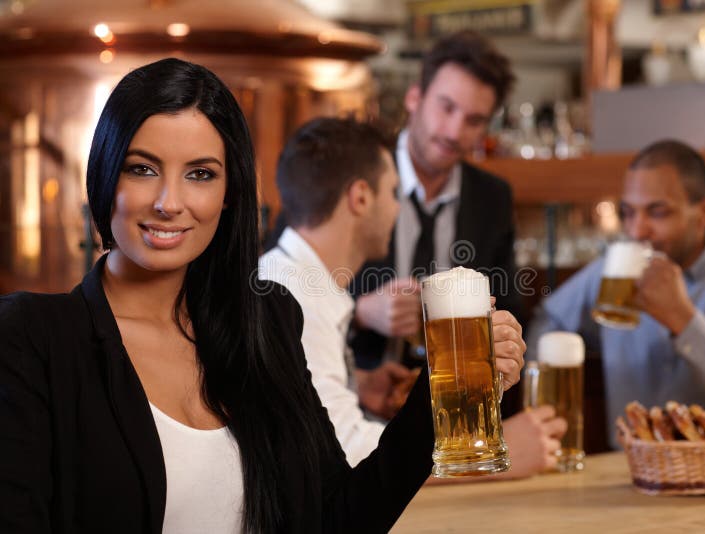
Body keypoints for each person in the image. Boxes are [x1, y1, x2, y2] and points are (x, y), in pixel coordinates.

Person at [0, 58, 521, 534]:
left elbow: (338, 519)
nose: (169, 202)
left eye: (200, 174)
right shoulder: (31, 337)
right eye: (143, 168)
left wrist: (436, 397)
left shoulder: (267, 320)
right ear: (106, 174)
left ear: (229, 195)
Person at [260, 117, 565, 477]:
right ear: (359, 198)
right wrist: (480, 451)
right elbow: (343, 452)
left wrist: (357, 385)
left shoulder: (291, 281)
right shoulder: (293, 299)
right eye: (393, 193)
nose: (398, 208)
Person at [527, 140, 705, 443]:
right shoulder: (617, 267)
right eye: (628, 213)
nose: (637, 231)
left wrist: (685, 321)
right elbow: (549, 318)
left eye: (657, 212)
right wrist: (545, 408)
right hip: (628, 473)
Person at [349, 30, 524, 373]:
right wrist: (361, 311)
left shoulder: (493, 197)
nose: (455, 132)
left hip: (455, 398)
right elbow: (281, 293)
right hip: (353, 397)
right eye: (447, 107)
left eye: (474, 120)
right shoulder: (353, 174)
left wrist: (506, 339)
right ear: (415, 98)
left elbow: (509, 305)